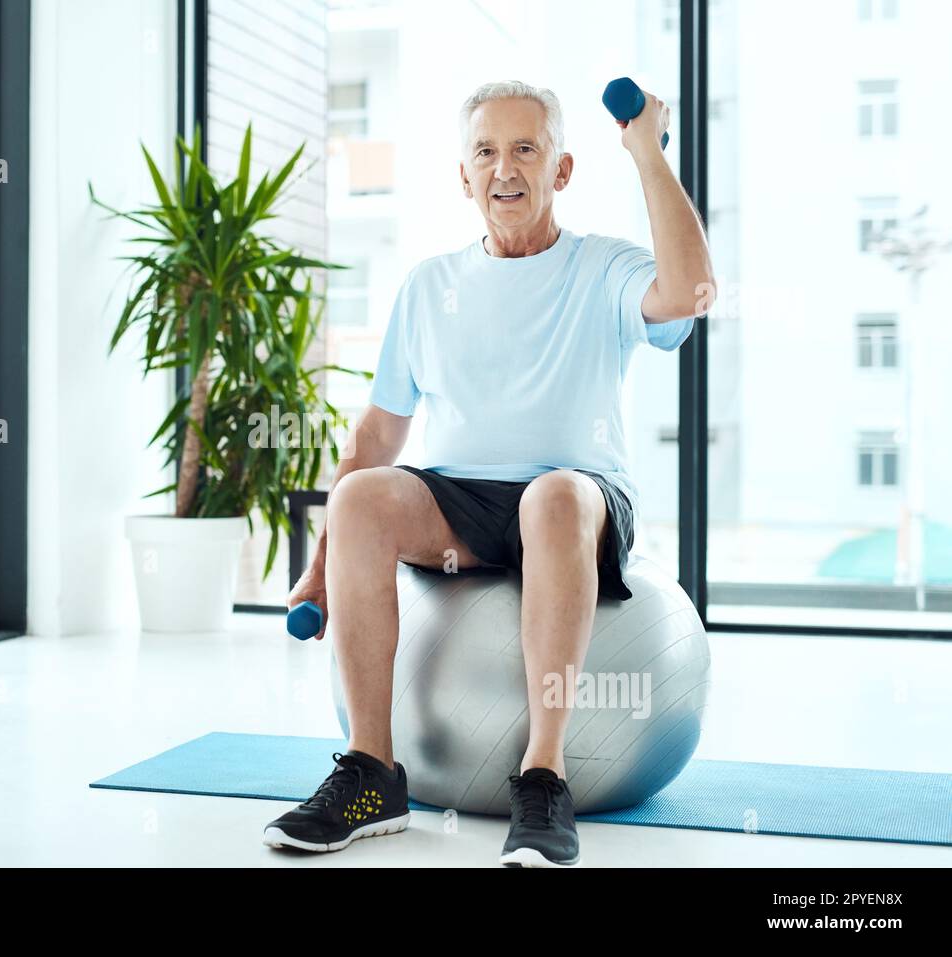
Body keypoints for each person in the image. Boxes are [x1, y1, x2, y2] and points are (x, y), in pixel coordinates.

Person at [262, 80, 715, 866]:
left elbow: (690, 292)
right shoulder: (428, 285)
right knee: (364, 494)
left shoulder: (604, 267)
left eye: (525, 149)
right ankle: (373, 771)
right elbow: (378, 431)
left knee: (552, 497)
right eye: (485, 151)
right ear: (463, 176)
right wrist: (323, 556)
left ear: (562, 170)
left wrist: (647, 156)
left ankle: (542, 776)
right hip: (457, 501)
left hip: (578, 497)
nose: (504, 168)